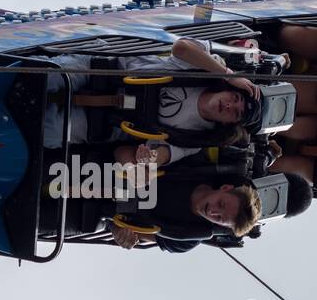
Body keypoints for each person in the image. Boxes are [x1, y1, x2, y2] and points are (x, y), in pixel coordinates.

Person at [44, 37, 265, 149]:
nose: (229, 106)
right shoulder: (209, 67)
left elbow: (158, 154)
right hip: (101, 72)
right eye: (235, 98)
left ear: (229, 123)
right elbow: (181, 48)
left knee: (48, 133)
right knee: (47, 76)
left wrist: (144, 162)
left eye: (235, 113)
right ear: (230, 89)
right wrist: (227, 73)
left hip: (101, 121)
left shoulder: (198, 138)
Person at [108, 174, 262, 251]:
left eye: (220, 218)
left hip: (109, 212)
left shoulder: (187, 238)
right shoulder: (197, 168)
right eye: (221, 203)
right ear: (225, 188)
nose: (213, 211)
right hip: (114, 172)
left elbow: (135, 233)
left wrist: (122, 234)